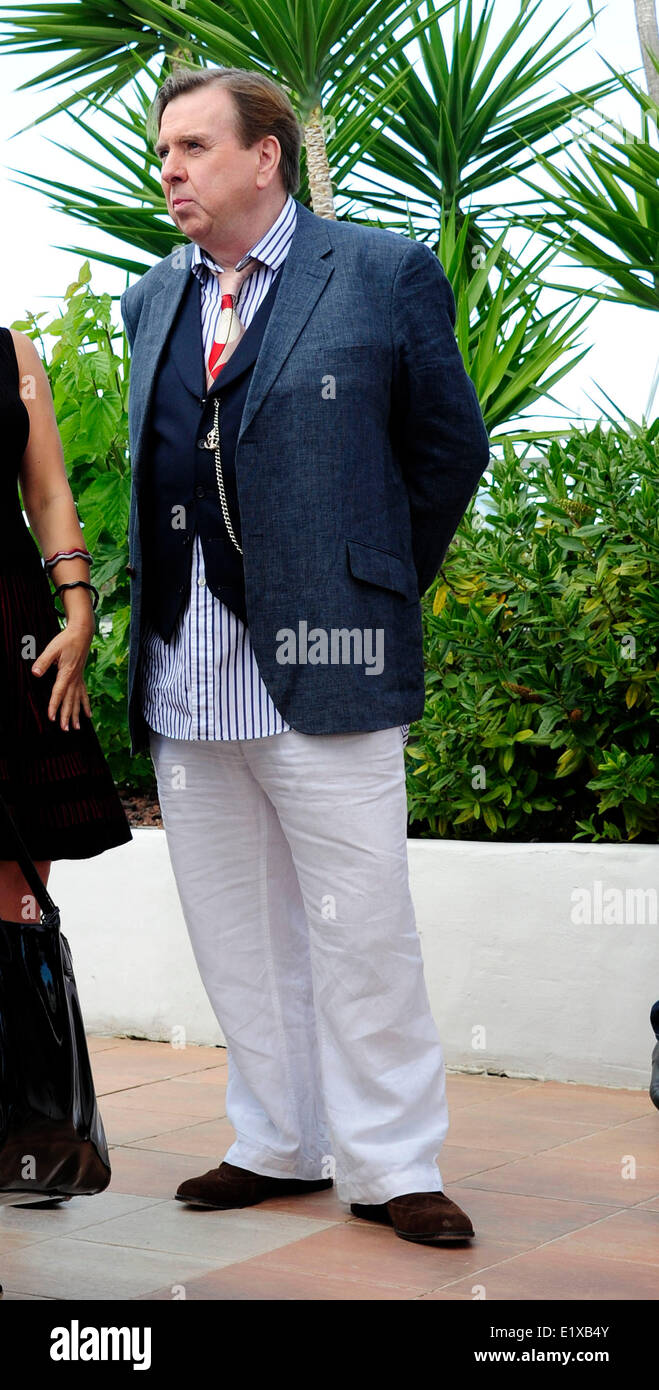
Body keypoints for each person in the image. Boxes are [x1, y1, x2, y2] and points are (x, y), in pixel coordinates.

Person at [121, 65, 490, 1246]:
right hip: (189, 673)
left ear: (264, 156)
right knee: (237, 929)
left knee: (360, 922)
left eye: (191, 146)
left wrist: (373, 580)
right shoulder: (151, 297)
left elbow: (446, 450)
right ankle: (277, 1137)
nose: (168, 168)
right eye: (163, 149)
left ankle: (392, 1162)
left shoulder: (376, 273)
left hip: (326, 658)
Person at [0, 326, 132, 922]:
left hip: (11, 623)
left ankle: (22, 1015)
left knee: (22, 862)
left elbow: (49, 494)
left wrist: (79, 607)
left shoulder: (13, 352)